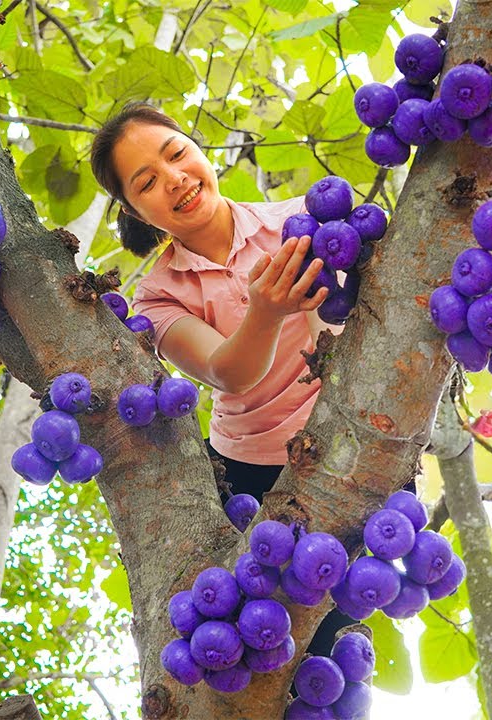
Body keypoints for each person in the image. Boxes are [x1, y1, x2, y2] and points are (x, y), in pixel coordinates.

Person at [89, 102, 352, 655]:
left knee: (341, 627)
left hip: (353, 437)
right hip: (251, 469)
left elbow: (356, 317)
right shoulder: (156, 297)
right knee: (265, 642)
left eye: (176, 154)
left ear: (199, 149)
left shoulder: (297, 217)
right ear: (135, 211)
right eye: (147, 182)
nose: (176, 179)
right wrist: (265, 311)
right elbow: (226, 374)